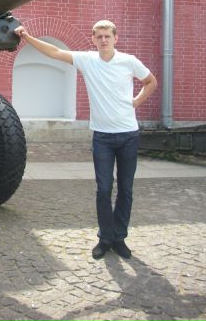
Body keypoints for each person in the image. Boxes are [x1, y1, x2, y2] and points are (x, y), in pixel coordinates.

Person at [14, 20, 157, 260]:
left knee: (126, 189)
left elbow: (150, 81)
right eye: (99, 36)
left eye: (107, 36)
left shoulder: (129, 61)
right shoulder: (87, 60)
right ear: (93, 39)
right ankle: (105, 238)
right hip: (102, 137)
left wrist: (135, 102)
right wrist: (27, 38)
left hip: (128, 135)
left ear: (115, 38)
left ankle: (119, 238)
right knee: (104, 189)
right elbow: (55, 52)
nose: (103, 40)